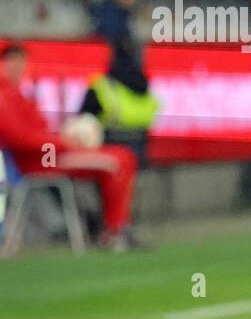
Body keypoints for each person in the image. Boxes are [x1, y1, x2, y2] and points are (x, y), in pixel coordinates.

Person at [0, 43, 142, 251]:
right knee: (116, 161)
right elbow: (19, 138)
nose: (18, 67)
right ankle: (113, 231)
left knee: (123, 156)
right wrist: (62, 142)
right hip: (40, 160)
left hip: (52, 153)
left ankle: (116, 227)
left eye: (21, 61)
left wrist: (63, 137)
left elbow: (39, 131)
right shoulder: (4, 97)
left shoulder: (21, 94)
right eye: (11, 61)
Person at [79, 32, 158, 165]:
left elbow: (83, 118)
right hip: (140, 151)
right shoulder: (145, 85)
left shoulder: (102, 86)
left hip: (108, 152)